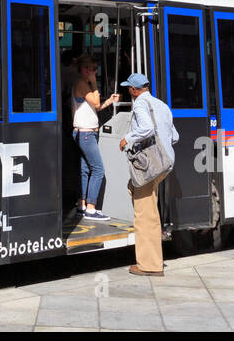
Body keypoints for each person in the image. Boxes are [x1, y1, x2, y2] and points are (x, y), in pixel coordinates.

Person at [118, 73, 178, 277]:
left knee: (145, 214)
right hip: (164, 164)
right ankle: (152, 260)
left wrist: (127, 138)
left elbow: (147, 128)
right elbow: (175, 136)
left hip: (149, 167)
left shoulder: (140, 104)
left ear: (134, 90)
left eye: (129, 88)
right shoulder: (162, 105)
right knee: (143, 200)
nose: (129, 91)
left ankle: (149, 265)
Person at [71, 54, 118, 221]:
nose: (94, 72)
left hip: (85, 133)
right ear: (83, 70)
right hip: (86, 134)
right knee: (98, 169)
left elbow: (94, 108)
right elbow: (96, 103)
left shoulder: (83, 84)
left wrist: (109, 101)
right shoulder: (82, 84)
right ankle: (91, 208)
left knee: (85, 170)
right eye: (91, 69)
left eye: (95, 69)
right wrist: (94, 83)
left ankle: (82, 205)